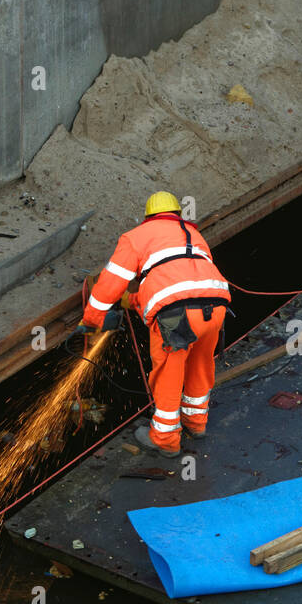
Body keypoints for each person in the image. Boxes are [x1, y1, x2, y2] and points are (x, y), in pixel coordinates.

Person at [78, 191, 231, 458]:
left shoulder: (135, 237)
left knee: (169, 373)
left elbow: (110, 283)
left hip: (176, 315)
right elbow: (180, 282)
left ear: (148, 217)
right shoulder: (193, 235)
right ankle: (196, 424)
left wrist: (92, 319)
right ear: (176, 214)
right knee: (200, 364)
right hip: (216, 307)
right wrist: (134, 300)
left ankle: (165, 439)